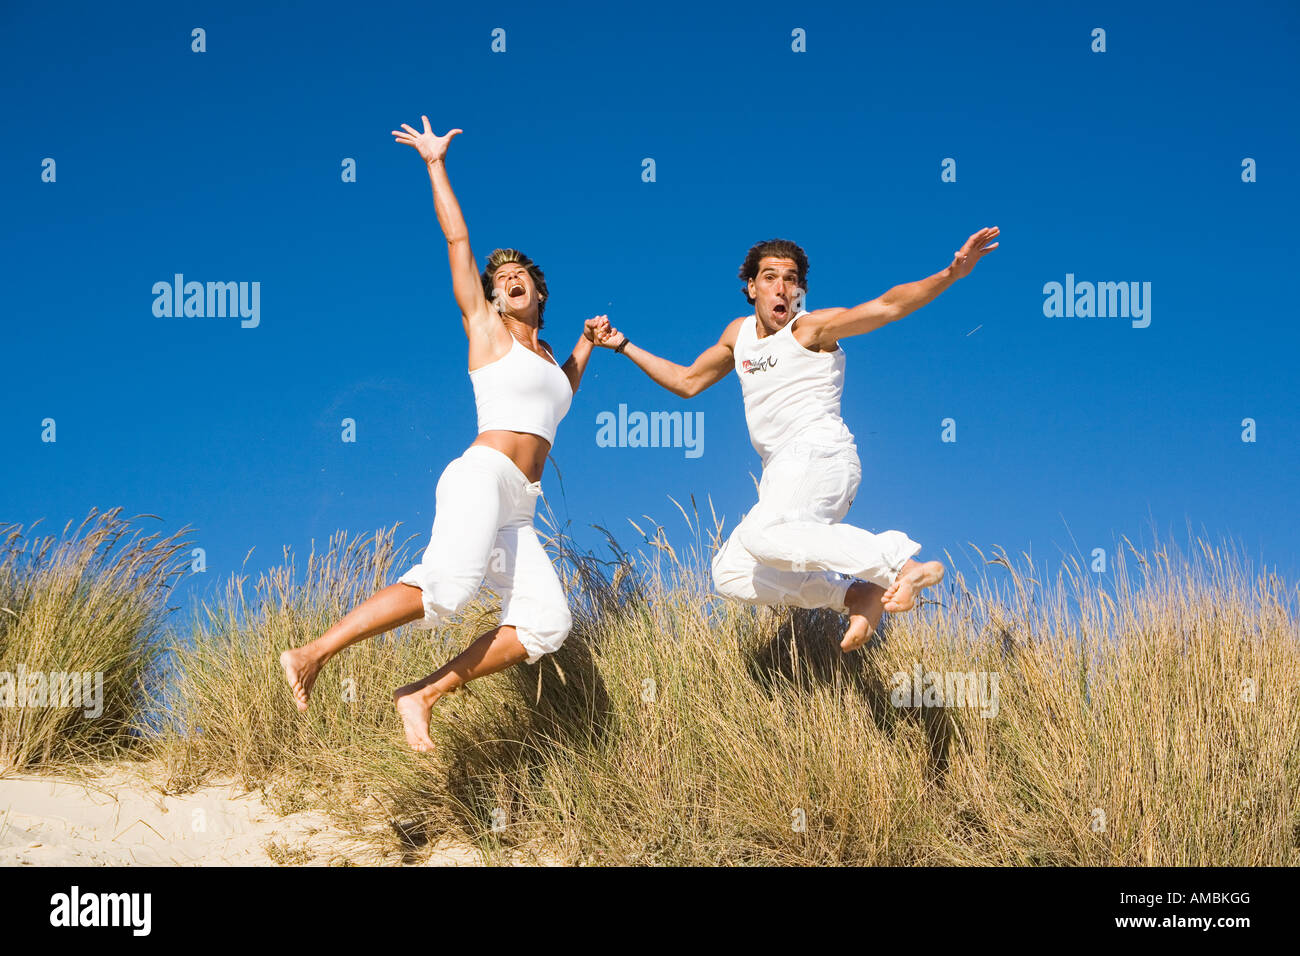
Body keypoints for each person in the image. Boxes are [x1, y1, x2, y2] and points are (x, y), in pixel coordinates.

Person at [281, 117, 607, 751]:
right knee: (449, 586)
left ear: (539, 291)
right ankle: (311, 652)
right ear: (492, 297)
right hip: (481, 477)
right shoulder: (485, 331)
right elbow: (457, 237)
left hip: (521, 506)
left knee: (548, 621)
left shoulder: (551, 366)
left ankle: (421, 693)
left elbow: (561, 390)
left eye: (521, 276)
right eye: (500, 279)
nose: (509, 280)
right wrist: (435, 162)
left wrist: (587, 345)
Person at [590, 229, 999, 651]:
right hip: (781, 473)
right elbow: (688, 381)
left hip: (821, 455)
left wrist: (952, 273)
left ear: (800, 290)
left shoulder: (810, 330)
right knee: (730, 571)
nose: (781, 287)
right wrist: (621, 344)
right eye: (770, 277)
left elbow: (888, 306)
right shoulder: (739, 334)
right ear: (751, 287)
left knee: (760, 535)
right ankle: (855, 596)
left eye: (791, 279)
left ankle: (900, 563)